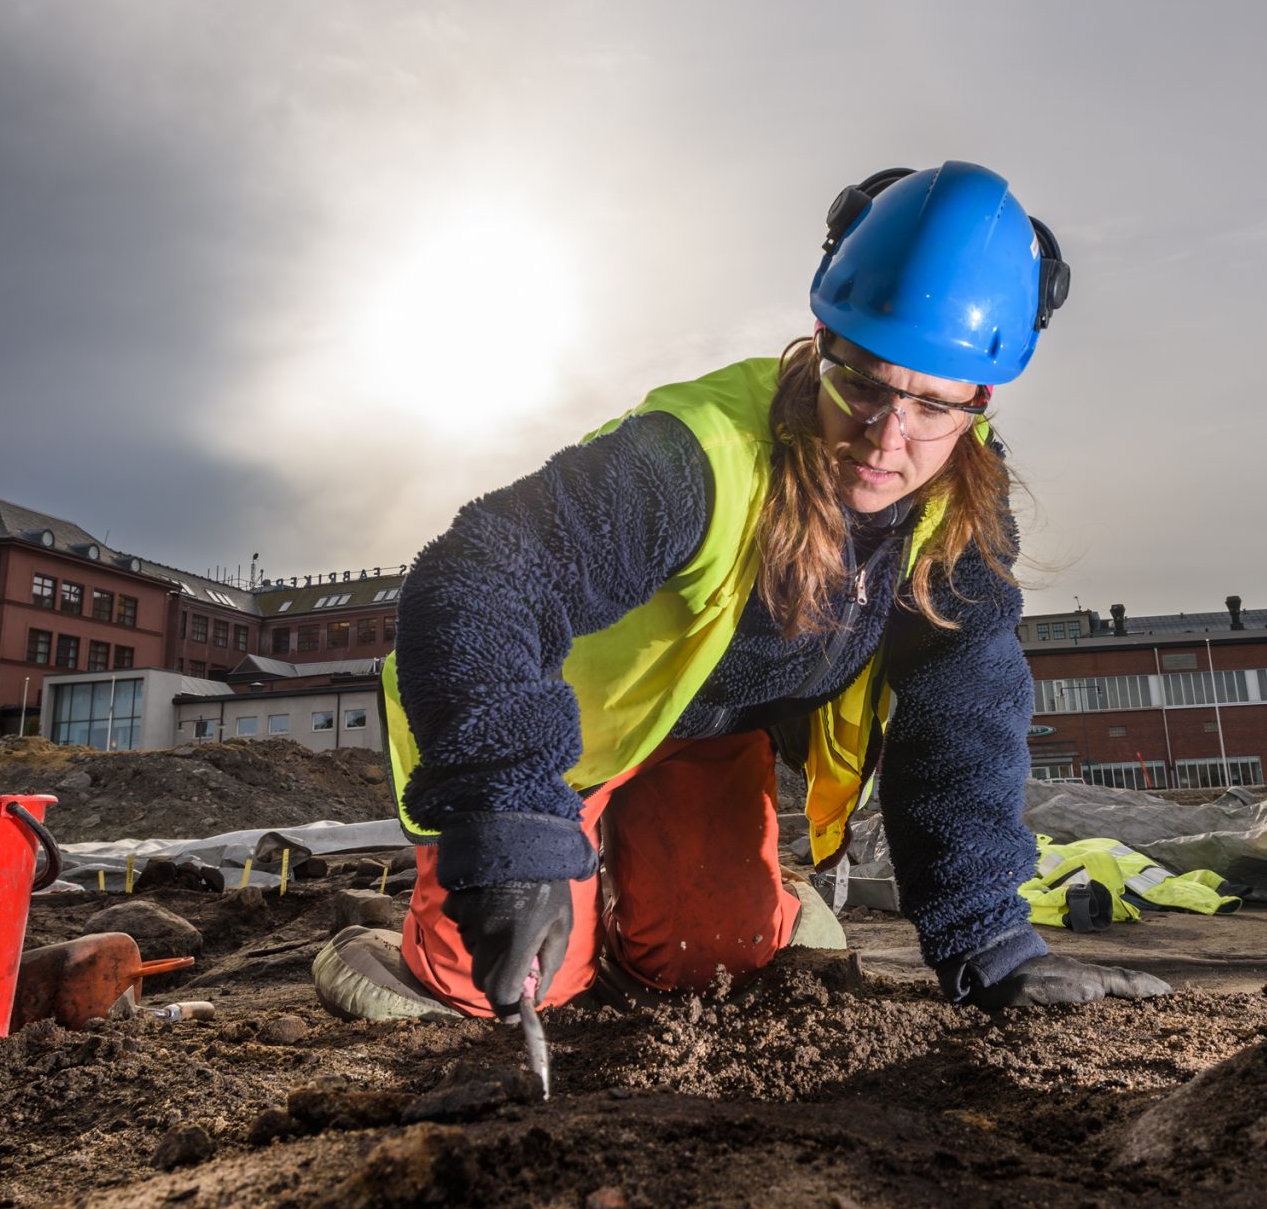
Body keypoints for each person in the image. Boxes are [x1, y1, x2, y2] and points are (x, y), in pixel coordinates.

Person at [323, 161, 1170, 1024]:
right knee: (503, 986)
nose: (888, 438)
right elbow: (476, 577)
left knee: (710, 961)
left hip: (706, 740)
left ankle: (656, 916)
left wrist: (990, 945)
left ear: (980, 400)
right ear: (821, 337)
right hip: (559, 739)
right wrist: (507, 824)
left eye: (933, 407)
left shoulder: (959, 526)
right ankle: (406, 941)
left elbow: (963, 729)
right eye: (865, 385)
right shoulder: (695, 455)